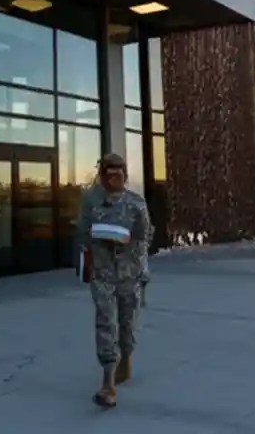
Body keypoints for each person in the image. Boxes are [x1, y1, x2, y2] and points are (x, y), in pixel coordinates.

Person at [75, 152, 152, 408]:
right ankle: (108, 381)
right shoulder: (90, 201)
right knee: (105, 322)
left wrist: (140, 265)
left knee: (127, 323)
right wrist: (94, 247)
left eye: (119, 173)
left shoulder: (136, 203)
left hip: (129, 273)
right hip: (103, 272)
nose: (114, 178)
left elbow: (144, 238)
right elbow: (82, 233)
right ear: (102, 175)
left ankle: (126, 359)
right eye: (109, 173)